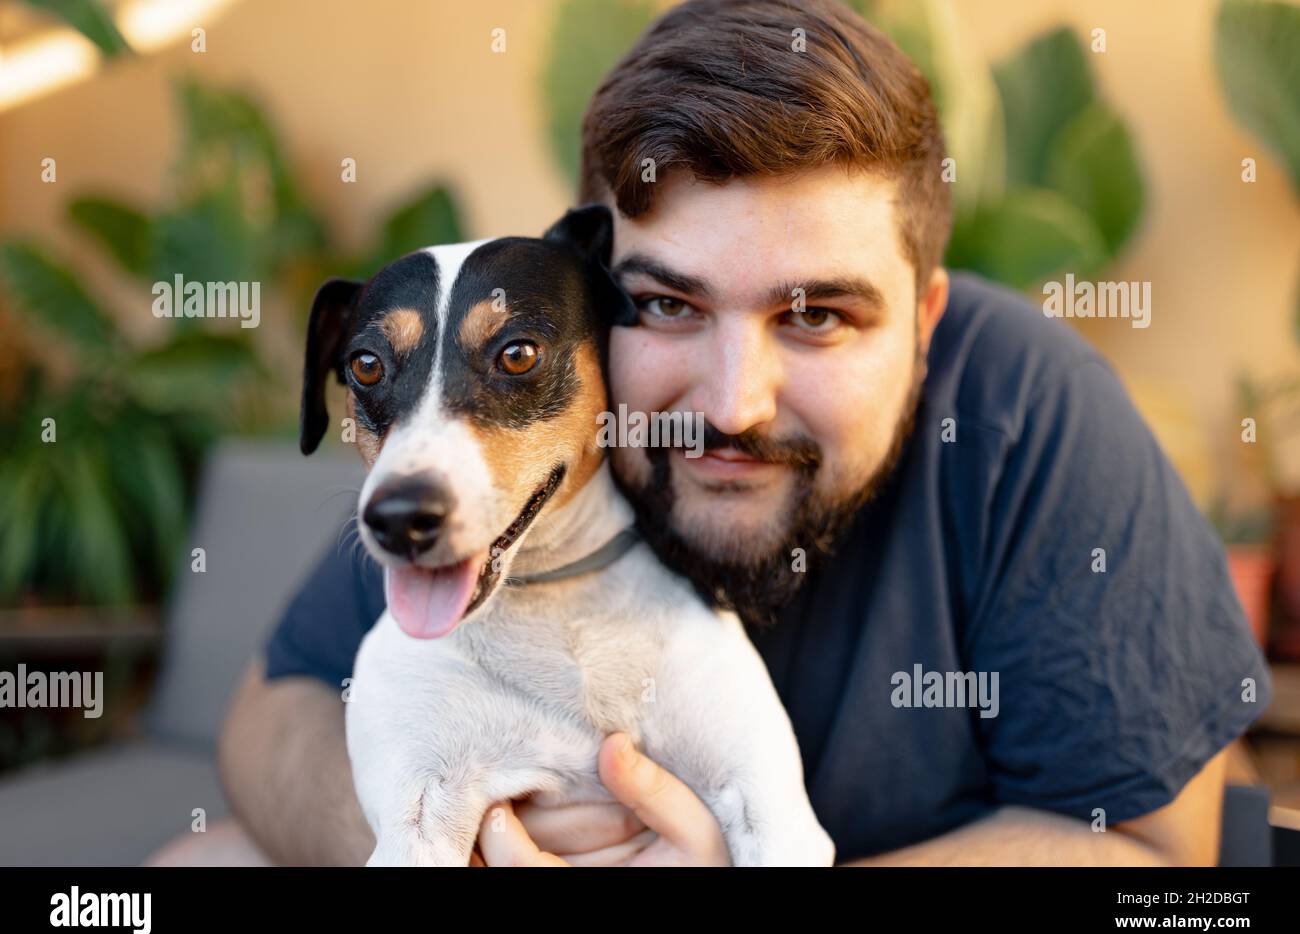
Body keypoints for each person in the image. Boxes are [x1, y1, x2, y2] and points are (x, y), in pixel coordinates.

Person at [158, 0, 1270, 866]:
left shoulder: (1030, 409)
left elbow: (1162, 863)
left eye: (817, 313)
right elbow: (272, 714)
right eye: (667, 305)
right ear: (591, 296)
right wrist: (429, 845)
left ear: (925, 325)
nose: (733, 401)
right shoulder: (506, 448)